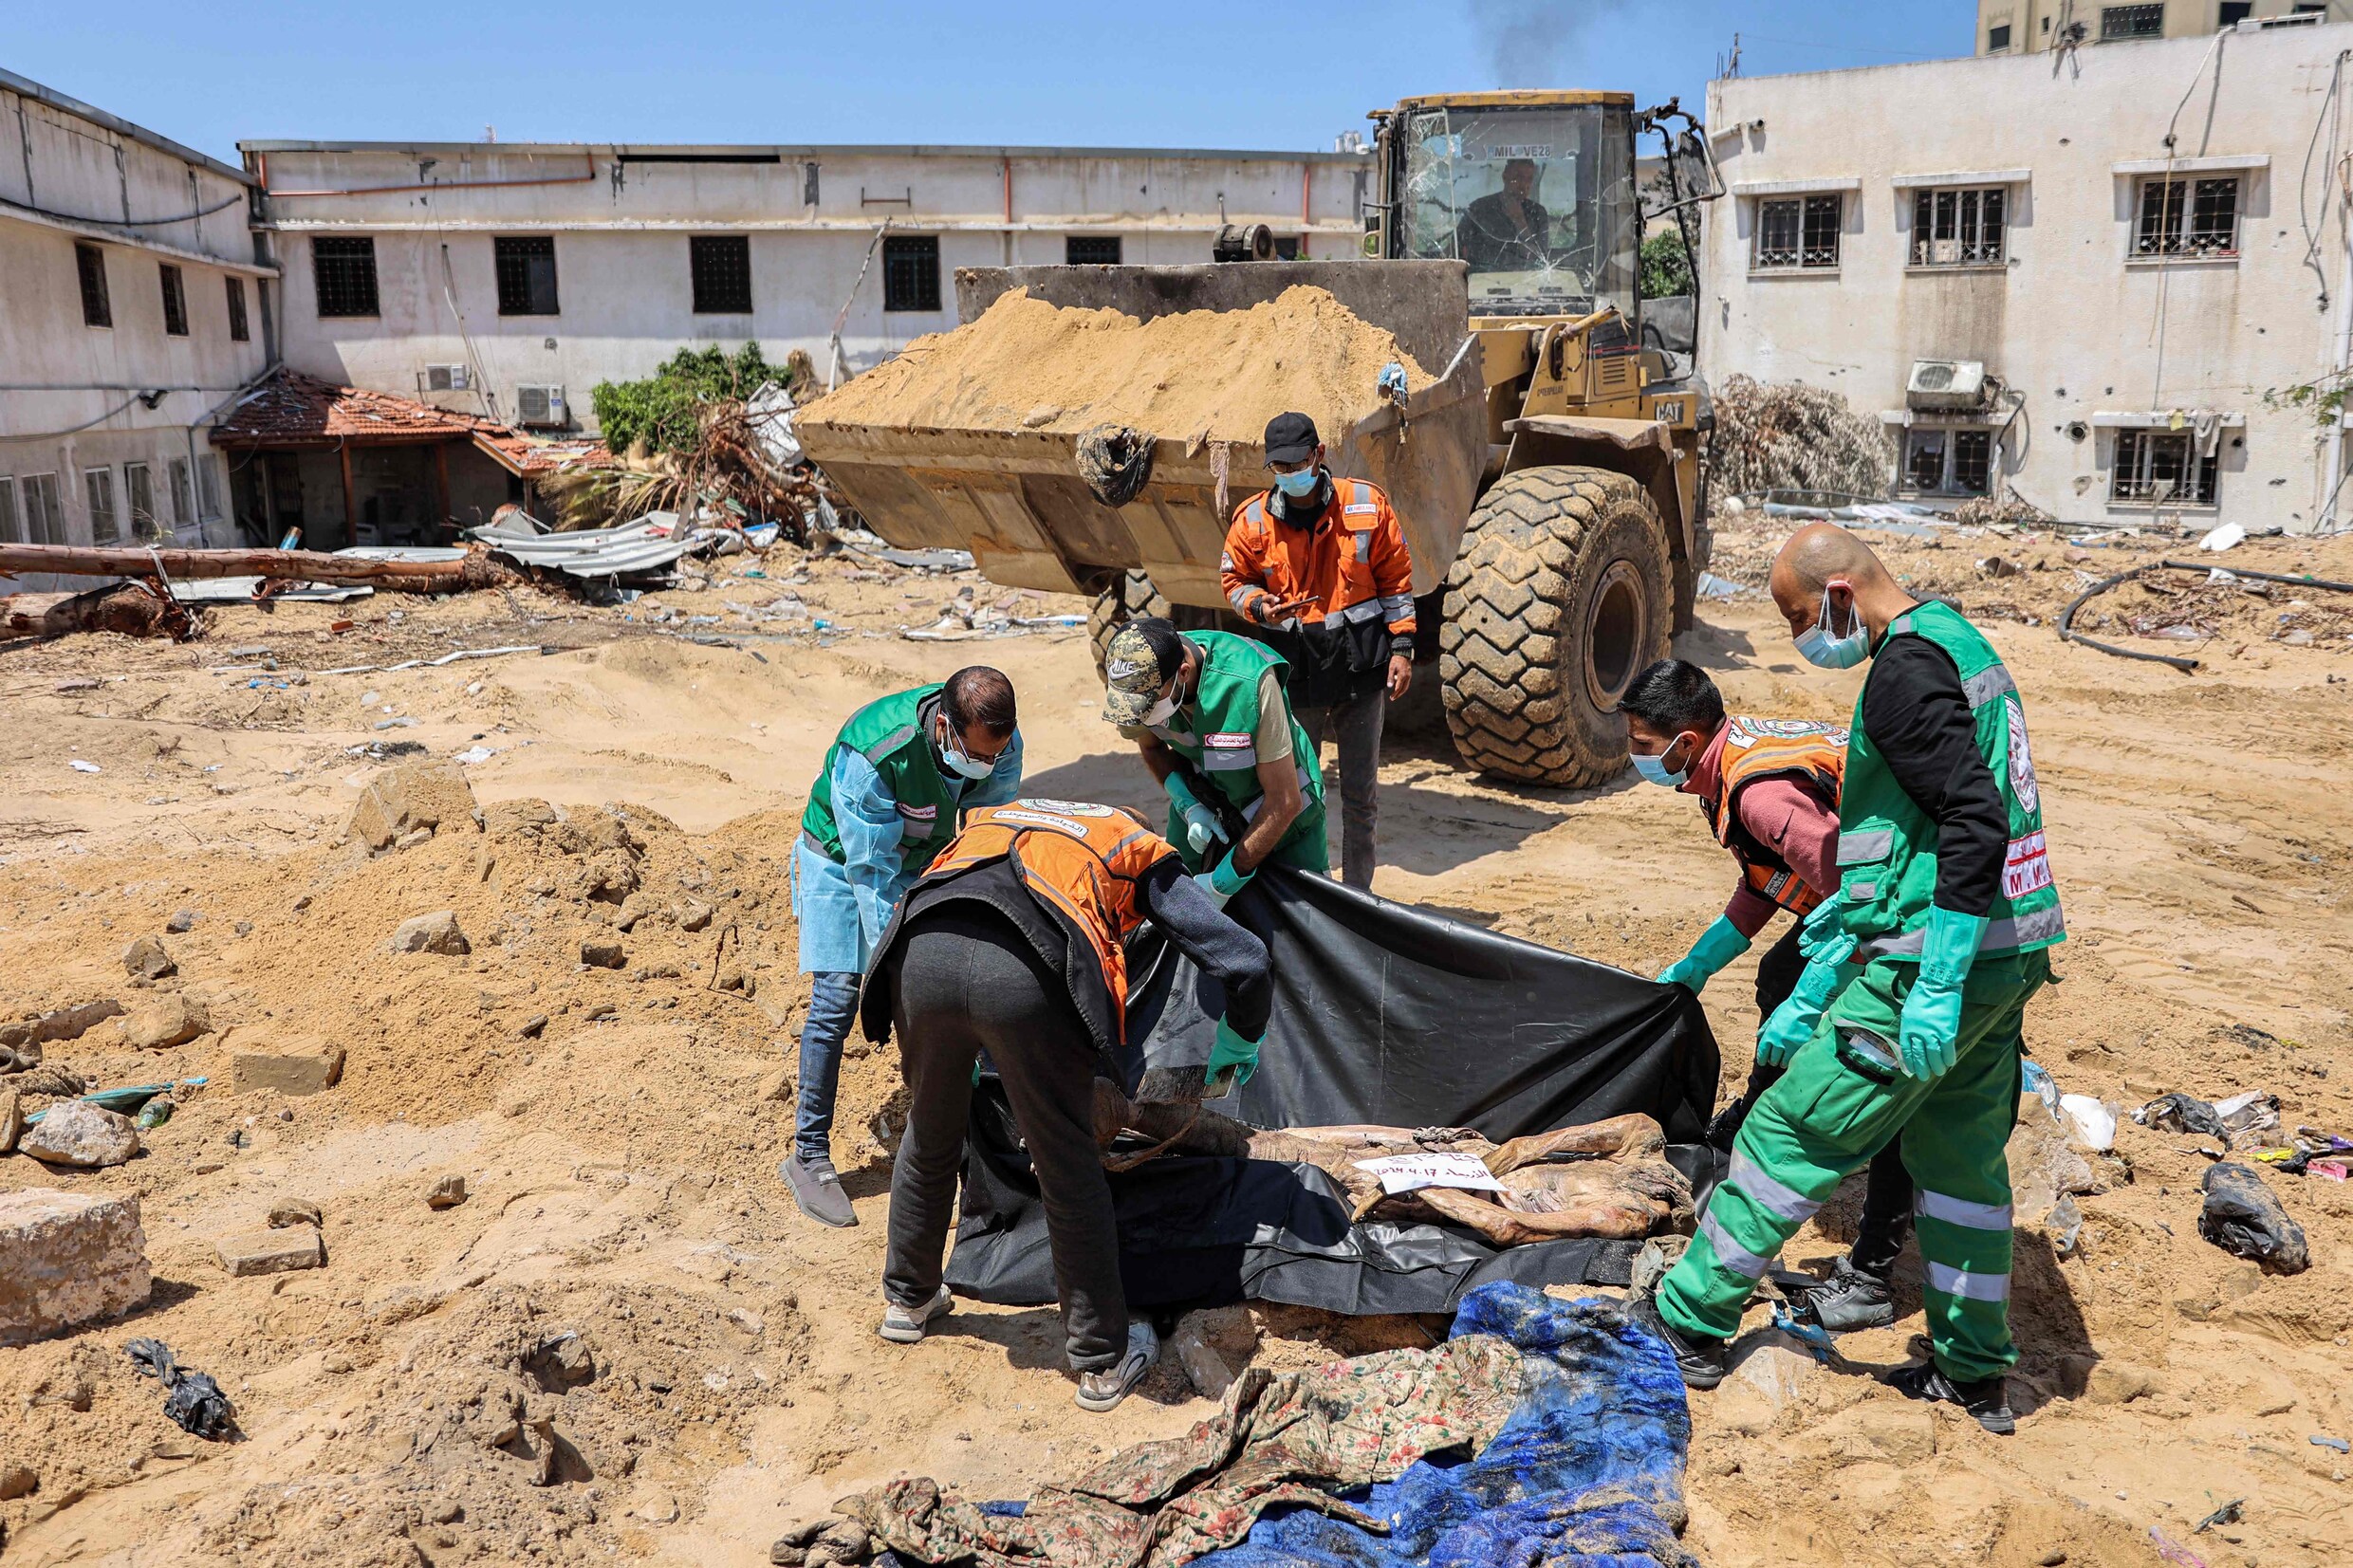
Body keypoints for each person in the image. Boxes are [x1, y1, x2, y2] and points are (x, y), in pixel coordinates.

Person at [1626, 524, 2064, 1437]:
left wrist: (1925, 979)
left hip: (1930, 965)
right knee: (1960, 1168)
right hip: (2006, 958)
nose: (1798, 638)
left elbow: (1971, 819)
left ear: (1838, 592)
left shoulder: (1903, 673)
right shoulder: (1959, 641)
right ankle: (1973, 1370)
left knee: (1794, 1129)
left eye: (1796, 616)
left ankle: (1688, 1320)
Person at [858, 798, 1272, 1412]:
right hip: (1020, 971)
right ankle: (1102, 1357)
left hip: (921, 948)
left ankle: (908, 1298)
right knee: (1066, 1161)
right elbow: (1243, 957)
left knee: (931, 1125)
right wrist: (1240, 1038)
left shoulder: (999, 813)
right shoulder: (1131, 846)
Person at [1621, 657, 1915, 1330]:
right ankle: (1756, 1104)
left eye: (1641, 744)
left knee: (1888, 1077)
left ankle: (1871, 1269)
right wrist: (1699, 962)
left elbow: (1857, 890)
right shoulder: (1726, 766)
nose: (1633, 756)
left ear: (1684, 742)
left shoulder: (1757, 793)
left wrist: (1812, 1000)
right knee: (1778, 976)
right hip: (1877, 896)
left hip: (1906, 912)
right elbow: (1769, 878)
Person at [785, 668, 1023, 1227]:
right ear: (944, 726)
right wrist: (898, 965)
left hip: (929, 857)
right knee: (838, 999)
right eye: (978, 757)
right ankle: (809, 1155)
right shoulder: (874, 752)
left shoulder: (998, 739)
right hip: (842, 862)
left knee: (966, 980)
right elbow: (873, 874)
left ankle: (979, 1135)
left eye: (996, 755)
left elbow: (988, 834)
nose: (988, 766)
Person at [1219, 411, 1416, 889]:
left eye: (1298, 464)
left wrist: (1403, 645)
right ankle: (1306, 897)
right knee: (1292, 796)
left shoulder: (1366, 505)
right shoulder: (1252, 520)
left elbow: (1396, 583)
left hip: (1361, 672)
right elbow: (1233, 581)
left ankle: (1359, 898)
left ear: (1319, 456)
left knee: (1360, 798)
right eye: (1280, 469)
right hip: (1295, 675)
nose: (1290, 476)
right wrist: (1260, 608)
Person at [1101, 618, 1330, 911]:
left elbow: (1284, 801)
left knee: (1305, 924)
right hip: (1207, 805)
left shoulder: (1249, 684)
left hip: (1284, 816)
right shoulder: (1138, 679)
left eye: (1150, 706)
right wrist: (1188, 804)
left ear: (1183, 673)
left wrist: (1223, 881)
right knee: (1172, 901)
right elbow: (1152, 748)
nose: (1144, 716)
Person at [1457, 157, 1553, 272]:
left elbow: (1539, 259)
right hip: (1481, 282)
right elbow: (1454, 248)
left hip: (1526, 282)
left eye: (1529, 179)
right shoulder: (1479, 209)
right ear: (1505, 177)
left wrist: (1519, 221)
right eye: (1518, 178)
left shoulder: (1537, 213)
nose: (1524, 185)